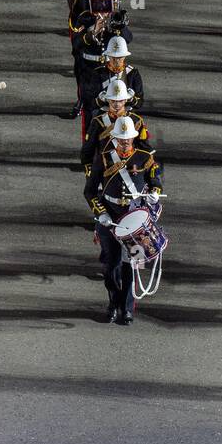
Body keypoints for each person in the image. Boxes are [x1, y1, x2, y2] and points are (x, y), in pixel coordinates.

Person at [84, 116, 163, 325]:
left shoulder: (144, 157)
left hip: (133, 218)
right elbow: (90, 190)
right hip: (109, 216)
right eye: (121, 139)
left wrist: (155, 191)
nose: (125, 142)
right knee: (111, 267)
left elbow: (155, 178)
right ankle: (113, 302)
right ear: (115, 139)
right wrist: (100, 212)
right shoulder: (103, 159)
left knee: (130, 265)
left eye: (128, 138)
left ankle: (126, 309)